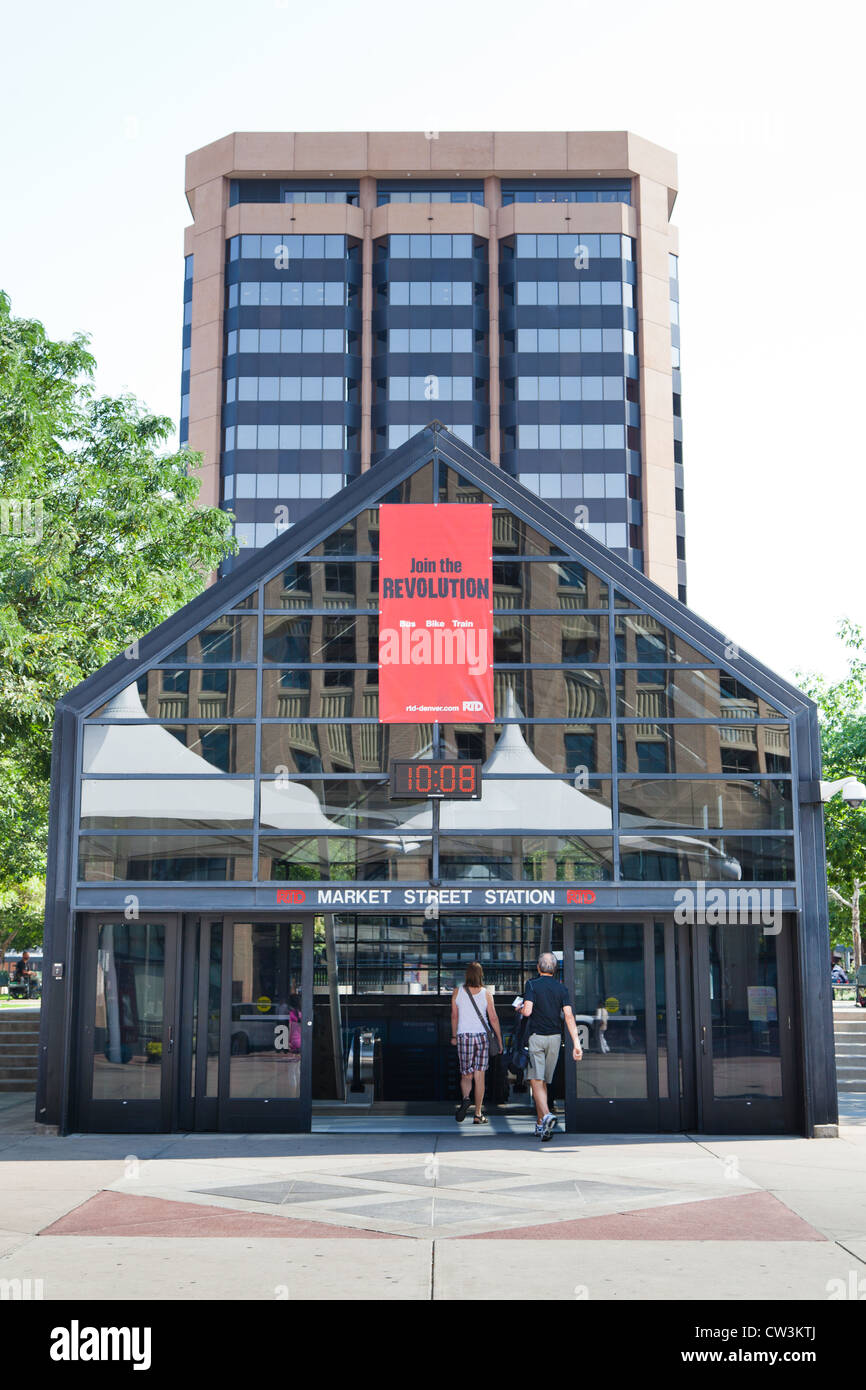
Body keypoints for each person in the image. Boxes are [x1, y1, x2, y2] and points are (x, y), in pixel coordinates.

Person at [521, 952, 583, 1141]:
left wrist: (521, 1008)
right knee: (543, 1082)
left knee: (535, 1079)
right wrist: (576, 1043)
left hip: (536, 1037)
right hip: (555, 1038)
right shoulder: (562, 989)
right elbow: (569, 1016)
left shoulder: (531, 984)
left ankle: (546, 1115)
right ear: (554, 969)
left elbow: (527, 1011)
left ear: (539, 968)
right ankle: (541, 1125)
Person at [451, 961, 503, 1124]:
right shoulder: (486, 993)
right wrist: (499, 1041)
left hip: (464, 1036)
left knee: (466, 1074)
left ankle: (466, 1098)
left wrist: (454, 1036)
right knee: (480, 1076)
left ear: (467, 975)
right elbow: (493, 1018)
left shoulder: (457, 992)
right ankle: (478, 1113)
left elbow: (454, 1016)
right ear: (481, 975)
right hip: (481, 1037)